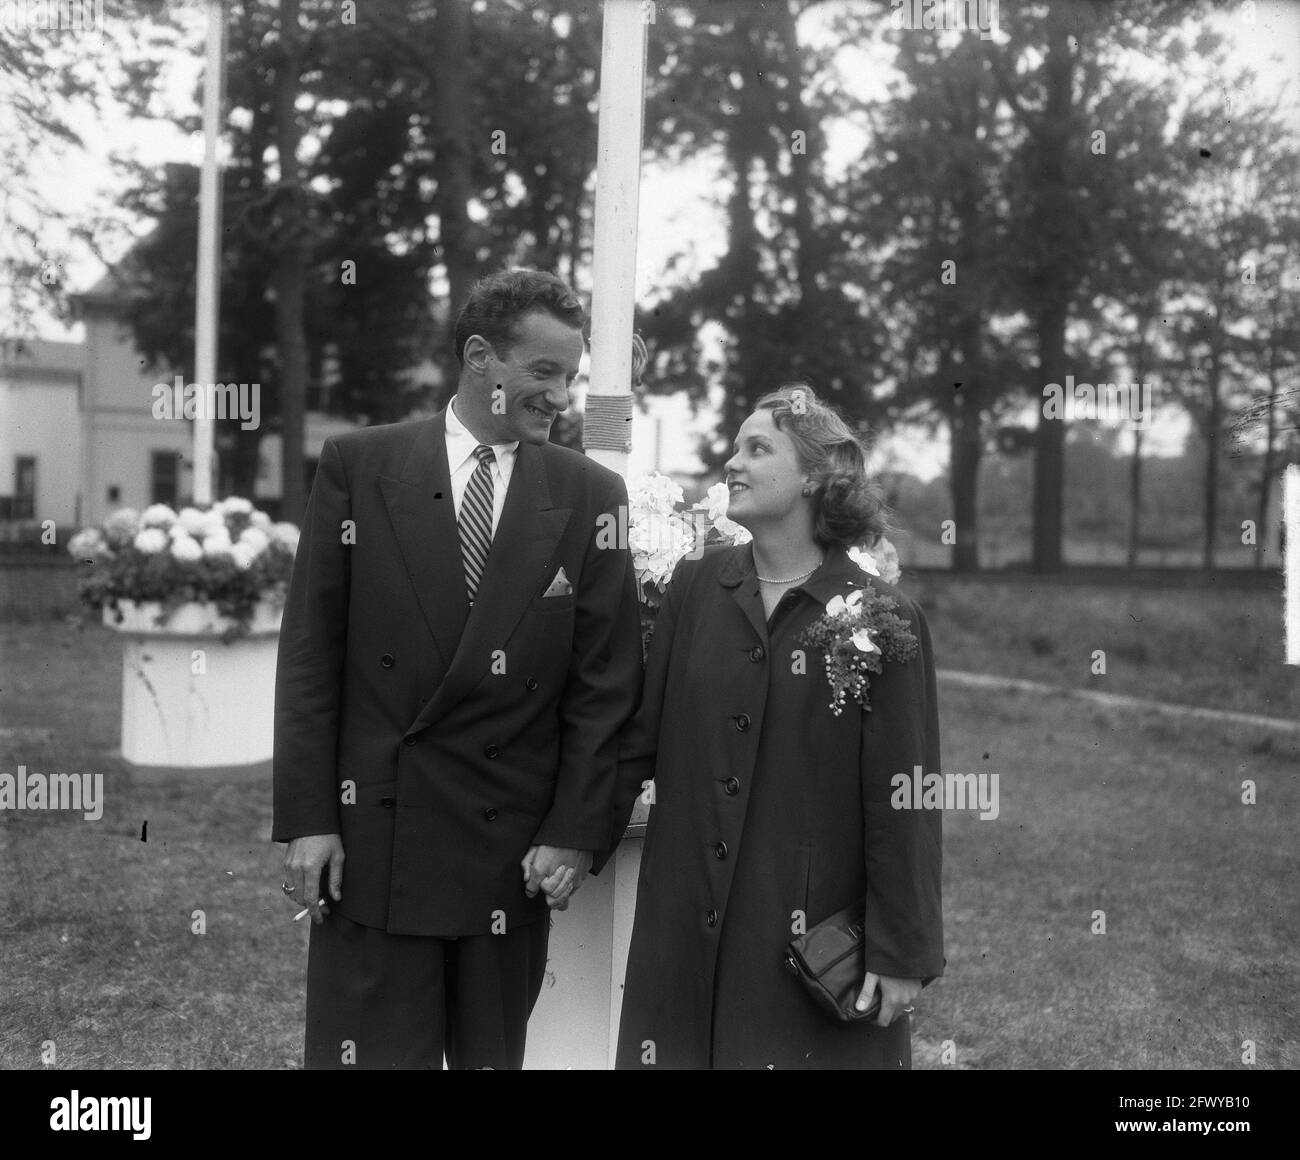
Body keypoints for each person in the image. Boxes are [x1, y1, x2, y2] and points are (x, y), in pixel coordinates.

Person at [273, 268, 643, 1070]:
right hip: (376, 836)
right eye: (544, 373)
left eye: (570, 377)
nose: (560, 395)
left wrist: (574, 834)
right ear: (481, 356)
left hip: (508, 853)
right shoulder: (358, 466)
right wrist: (310, 818)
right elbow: (310, 657)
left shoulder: (591, 495)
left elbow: (606, 687)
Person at [614, 384, 944, 1070]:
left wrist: (902, 949)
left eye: (757, 448)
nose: (731, 463)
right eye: (734, 447)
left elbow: (904, 799)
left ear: (817, 477)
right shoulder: (694, 589)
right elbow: (635, 744)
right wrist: (562, 837)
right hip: (684, 925)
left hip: (803, 934)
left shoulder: (882, 618)